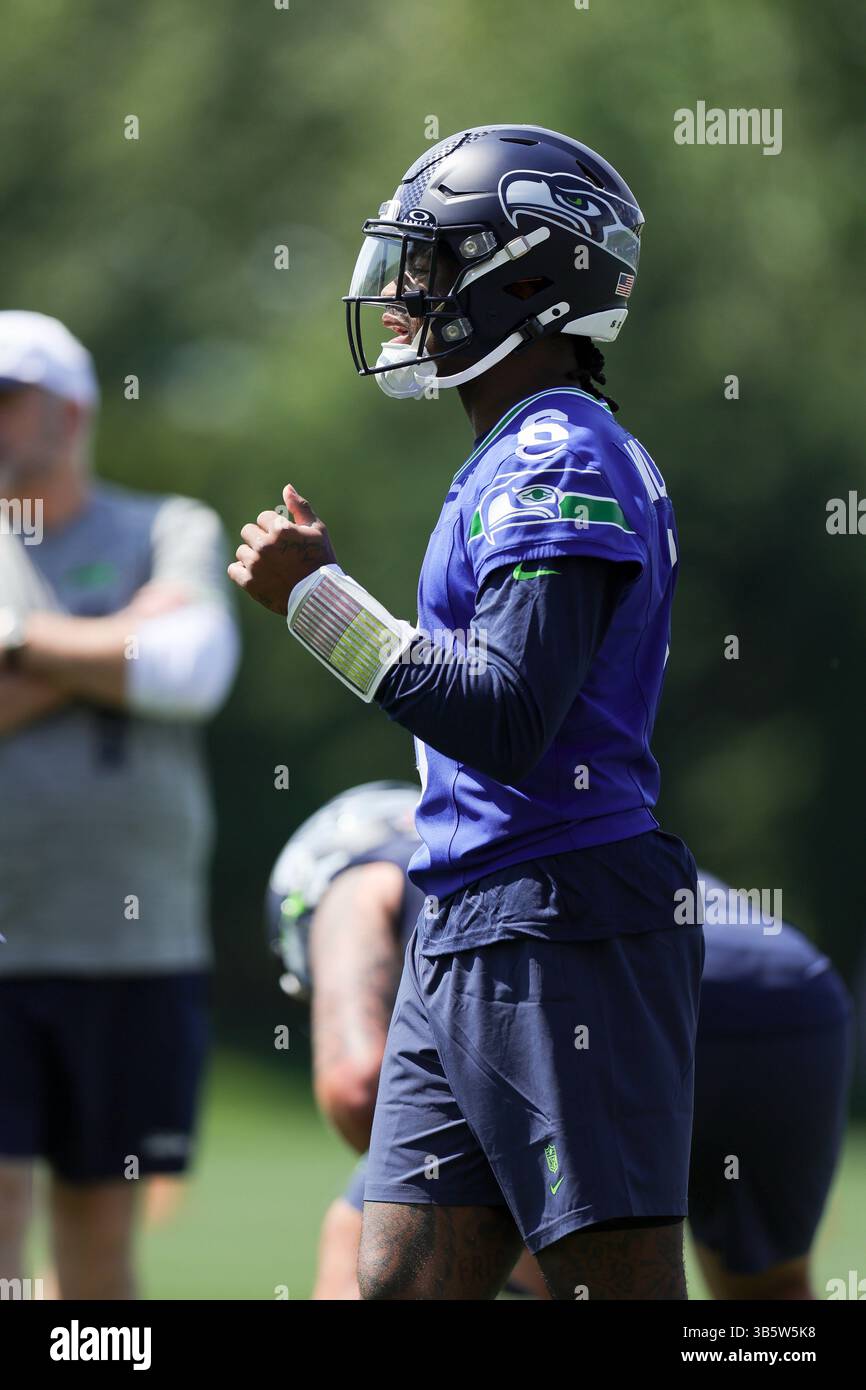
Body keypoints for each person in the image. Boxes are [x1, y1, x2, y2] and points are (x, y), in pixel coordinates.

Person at [231, 125, 702, 1300]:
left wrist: (317, 602)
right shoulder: (513, 451)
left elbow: (506, 715)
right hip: (469, 911)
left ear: (527, 279)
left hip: (561, 922)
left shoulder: (558, 454)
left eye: (431, 263)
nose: (402, 294)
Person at [267, 788, 852, 1301]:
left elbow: (358, 1081)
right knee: (769, 1300)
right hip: (791, 997)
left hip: (597, 996)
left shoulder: (355, 872)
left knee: (366, 1245)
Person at [0, 310, 239, 1299]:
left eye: (7, 398)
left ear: (73, 409)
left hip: (138, 949)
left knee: (101, 1242)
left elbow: (191, 671)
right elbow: (154, 658)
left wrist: (17, 644)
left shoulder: (167, 527)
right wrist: (117, 640)